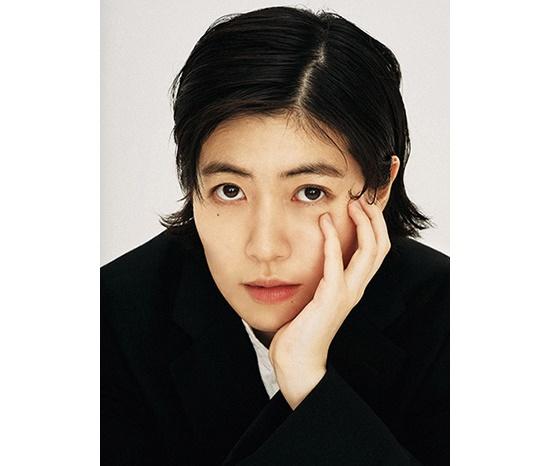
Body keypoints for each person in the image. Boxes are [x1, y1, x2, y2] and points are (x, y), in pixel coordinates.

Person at [101, 6, 449, 465]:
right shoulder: (111, 319)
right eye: (230, 190)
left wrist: (308, 383)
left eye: (310, 192)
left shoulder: (452, 320)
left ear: (379, 187)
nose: (264, 247)